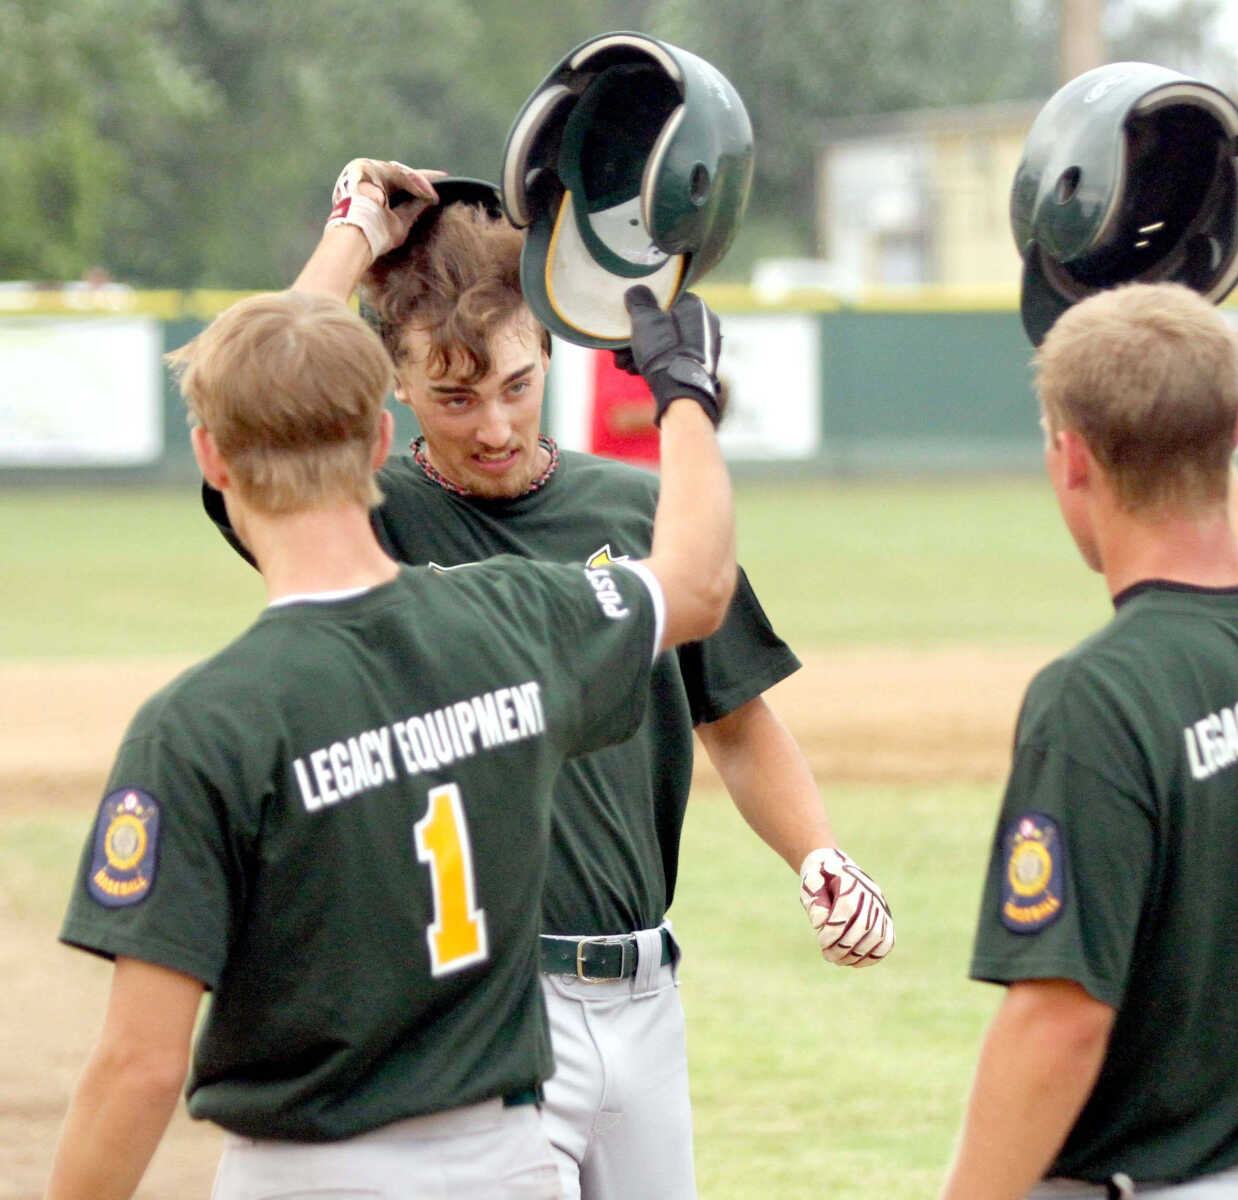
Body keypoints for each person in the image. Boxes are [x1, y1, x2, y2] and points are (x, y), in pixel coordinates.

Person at [205, 158, 895, 1200]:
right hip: (485, 1007)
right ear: (392, 382)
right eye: (452, 393)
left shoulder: (637, 513)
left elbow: (738, 721)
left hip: (647, 994)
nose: (492, 423)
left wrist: (820, 858)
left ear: (549, 349)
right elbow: (267, 405)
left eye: (517, 384)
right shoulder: (371, 519)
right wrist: (355, 229)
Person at [45, 285, 738, 1199]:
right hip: (504, 1161)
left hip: (308, 1172)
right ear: (380, 442)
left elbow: (139, 1067)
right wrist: (682, 394)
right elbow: (696, 581)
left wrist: (356, 230)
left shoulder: (203, 723)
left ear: (212, 458)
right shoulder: (517, 617)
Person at [940, 283, 1238, 1199]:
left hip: (1150, 1181)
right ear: (1233, 438)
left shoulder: (1097, 697)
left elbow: (1060, 1022)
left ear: (1071, 459)